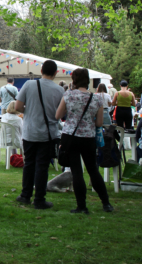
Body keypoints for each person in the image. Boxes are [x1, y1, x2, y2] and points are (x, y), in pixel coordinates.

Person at [54, 68, 113, 214]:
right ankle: (106, 203)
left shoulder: (68, 95)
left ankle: (82, 206)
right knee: (93, 170)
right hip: (88, 137)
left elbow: (58, 115)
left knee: (77, 172)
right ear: (88, 80)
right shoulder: (97, 98)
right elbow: (99, 123)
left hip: (71, 136)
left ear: (73, 80)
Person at [14, 60, 65, 210]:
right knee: (42, 166)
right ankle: (39, 199)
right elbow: (61, 114)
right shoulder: (59, 90)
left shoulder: (29, 85)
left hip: (30, 131)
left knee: (29, 164)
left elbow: (17, 106)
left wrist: (30, 111)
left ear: (41, 70)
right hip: (48, 133)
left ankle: (25, 195)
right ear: (56, 73)